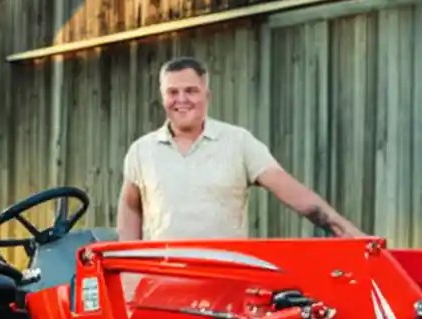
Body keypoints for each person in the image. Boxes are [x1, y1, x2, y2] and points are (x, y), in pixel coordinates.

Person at [117, 56, 364, 242]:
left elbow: (294, 193)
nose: (181, 99)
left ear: (207, 95)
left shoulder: (238, 143)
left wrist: (350, 233)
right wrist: (125, 269)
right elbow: (130, 207)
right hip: (160, 281)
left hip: (226, 279)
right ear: (163, 97)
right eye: (173, 92)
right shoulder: (142, 151)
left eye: (191, 91)